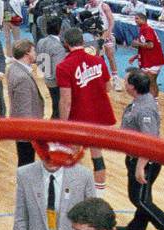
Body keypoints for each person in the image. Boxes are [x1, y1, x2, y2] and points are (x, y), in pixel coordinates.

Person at [118, 70, 164, 230]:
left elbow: (149, 141)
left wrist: (140, 166)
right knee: (142, 196)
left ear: (132, 87)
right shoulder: (141, 101)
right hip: (136, 157)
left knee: (139, 199)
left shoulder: (145, 109)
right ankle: (137, 227)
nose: (124, 82)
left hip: (145, 161)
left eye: (126, 80)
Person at [56, 27, 116, 193]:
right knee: (97, 156)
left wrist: (62, 124)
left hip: (79, 117)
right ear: (82, 42)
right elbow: (108, 87)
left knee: (73, 156)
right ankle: (100, 194)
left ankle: (77, 192)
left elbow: (66, 100)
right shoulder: (97, 60)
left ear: (66, 44)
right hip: (98, 116)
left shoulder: (63, 66)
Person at [5, 40, 45, 166]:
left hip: (21, 126)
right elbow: (24, 108)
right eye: (33, 50)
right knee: (27, 163)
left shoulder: (13, 68)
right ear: (27, 53)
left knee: (25, 162)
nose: (35, 53)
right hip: (26, 130)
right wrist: (30, 132)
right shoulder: (22, 77)